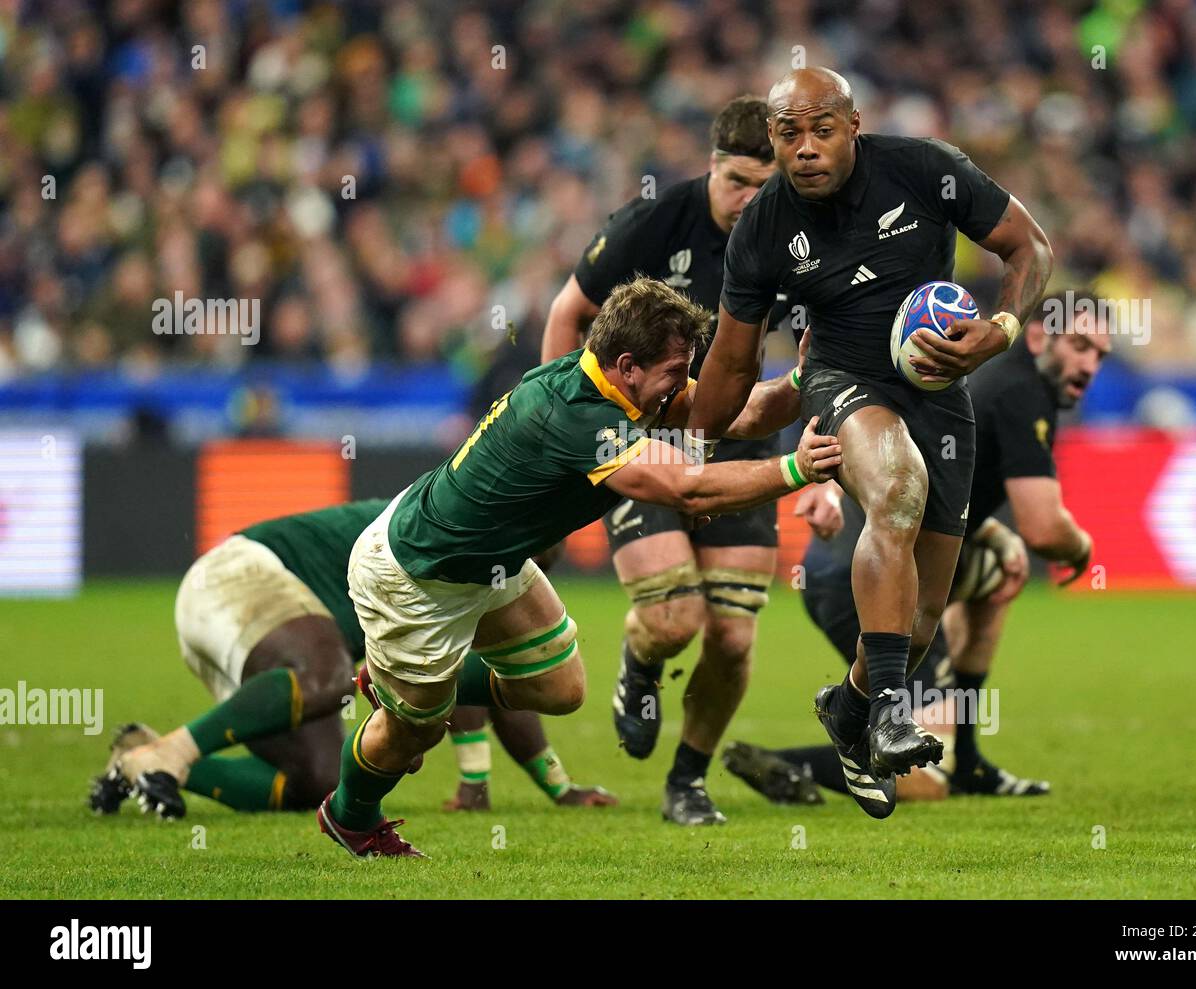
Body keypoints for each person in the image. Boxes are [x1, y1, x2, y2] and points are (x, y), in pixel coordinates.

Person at [318, 276, 840, 858]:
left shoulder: (622, 386)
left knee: (560, 688)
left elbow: (729, 418)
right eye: (675, 371)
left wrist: (800, 380)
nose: (681, 386)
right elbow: (685, 490)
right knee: (412, 732)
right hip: (417, 576)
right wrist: (794, 470)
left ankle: (402, 686)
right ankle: (352, 816)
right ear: (627, 365)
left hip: (490, 564)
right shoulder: (576, 416)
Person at [685, 67, 1054, 819]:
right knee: (896, 486)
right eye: (789, 134)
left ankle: (849, 706)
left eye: (822, 128)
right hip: (842, 379)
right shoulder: (761, 229)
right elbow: (728, 365)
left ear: (853, 125)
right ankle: (888, 714)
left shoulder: (925, 169)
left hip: (940, 393)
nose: (806, 148)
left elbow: (1031, 248)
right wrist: (687, 423)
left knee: (921, 620)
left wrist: (1001, 330)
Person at [725, 291, 1108, 803]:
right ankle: (792, 766)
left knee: (1001, 574)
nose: (1089, 363)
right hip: (862, 574)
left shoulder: (984, 383)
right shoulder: (1019, 391)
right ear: (1038, 335)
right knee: (927, 772)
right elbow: (1044, 528)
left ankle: (968, 760)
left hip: (851, 559)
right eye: (1080, 345)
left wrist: (993, 533)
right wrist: (1083, 549)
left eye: (1100, 354)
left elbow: (939, 483)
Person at [542, 96, 785, 825]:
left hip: (738, 435)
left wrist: (824, 477)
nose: (750, 201)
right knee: (676, 618)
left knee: (735, 636)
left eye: (764, 188)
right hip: (646, 433)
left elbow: (823, 348)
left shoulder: (790, 234)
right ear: (712, 165)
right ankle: (641, 665)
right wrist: (561, 434)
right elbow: (566, 315)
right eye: (739, 181)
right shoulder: (653, 221)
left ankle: (689, 779)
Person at [88, 498, 615, 819]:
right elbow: (468, 678)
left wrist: (559, 788)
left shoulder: (481, 544)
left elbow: (498, 677)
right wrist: (475, 780)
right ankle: (175, 752)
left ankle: (144, 760)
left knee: (317, 781)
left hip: (250, 621)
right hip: (236, 574)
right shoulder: (457, 541)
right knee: (327, 676)